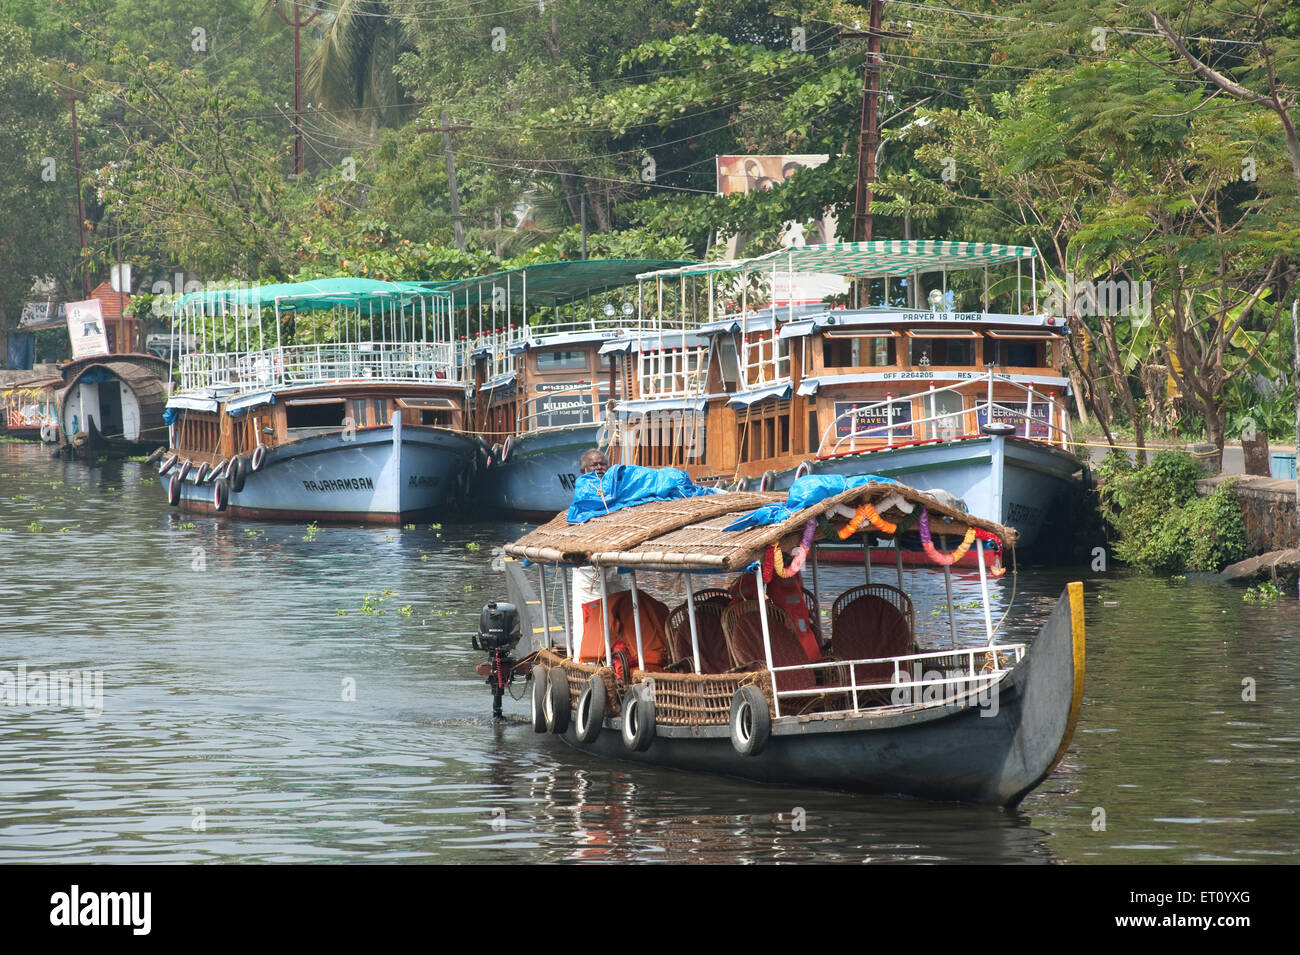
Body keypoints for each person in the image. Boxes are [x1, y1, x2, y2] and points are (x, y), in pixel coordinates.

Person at [570, 448, 623, 655]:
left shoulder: (615, 488)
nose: (599, 468)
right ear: (584, 470)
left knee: (620, 608)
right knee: (588, 612)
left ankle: (620, 656)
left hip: (613, 561)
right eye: (594, 465)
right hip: (587, 566)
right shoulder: (583, 490)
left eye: (602, 464)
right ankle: (586, 658)